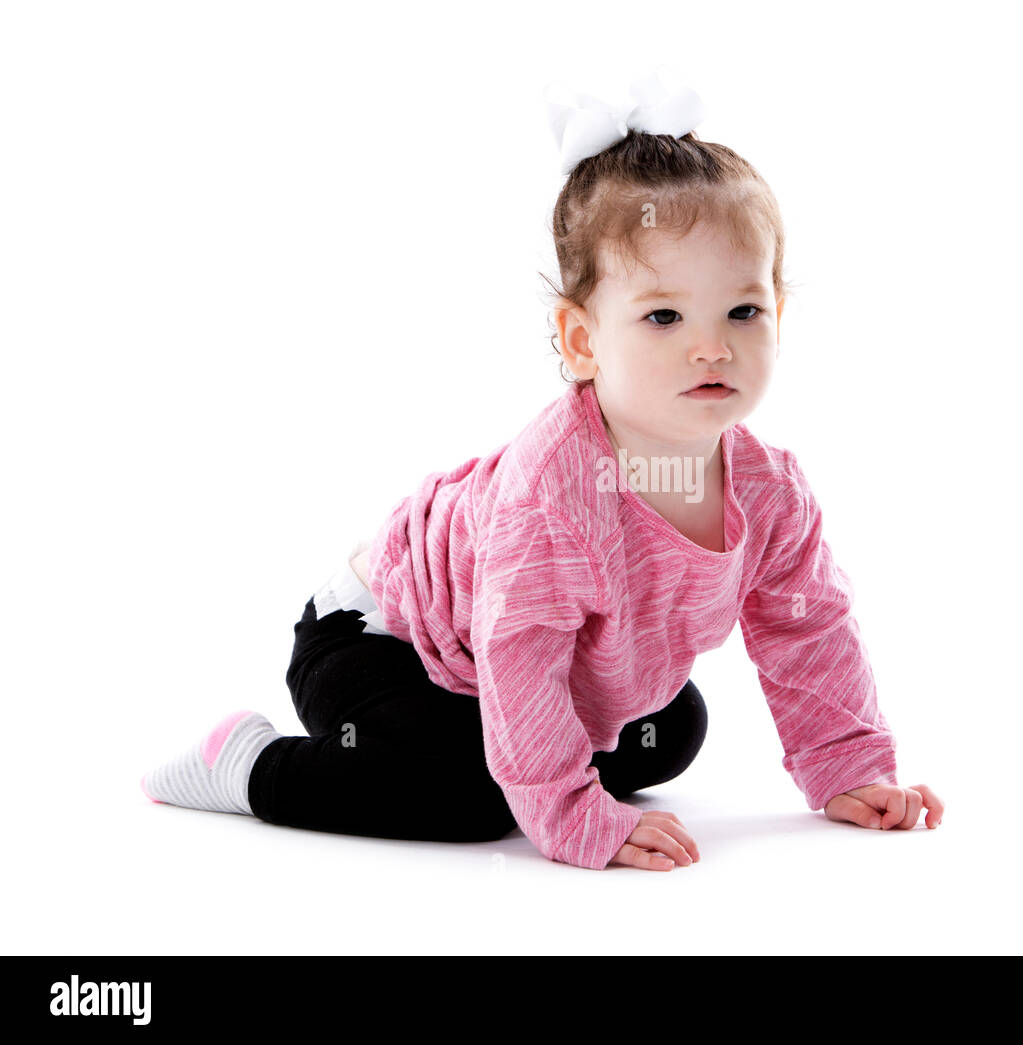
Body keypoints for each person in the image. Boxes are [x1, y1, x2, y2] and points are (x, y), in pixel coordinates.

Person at [140, 67, 943, 872]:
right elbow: (521, 649)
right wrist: (571, 814)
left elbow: (806, 625)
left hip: (530, 671)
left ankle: (530, 760)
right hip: (382, 645)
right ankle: (245, 763)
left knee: (675, 727)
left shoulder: (770, 490)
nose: (711, 345)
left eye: (743, 310)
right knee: (471, 800)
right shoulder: (554, 493)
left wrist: (848, 763)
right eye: (663, 316)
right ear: (582, 339)